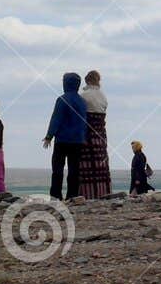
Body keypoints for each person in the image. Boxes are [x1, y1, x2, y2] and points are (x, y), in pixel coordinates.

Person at [43, 72, 89, 200]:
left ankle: (56, 195)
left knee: (57, 169)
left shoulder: (62, 99)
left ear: (65, 83)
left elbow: (56, 119)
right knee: (74, 170)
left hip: (62, 140)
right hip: (77, 141)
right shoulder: (82, 102)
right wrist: (83, 137)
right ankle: (72, 195)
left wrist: (49, 136)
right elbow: (84, 122)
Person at [76, 70, 112, 199]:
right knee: (101, 162)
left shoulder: (83, 96)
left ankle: (87, 193)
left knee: (86, 164)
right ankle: (103, 192)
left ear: (87, 80)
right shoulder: (103, 96)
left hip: (88, 133)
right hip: (101, 133)